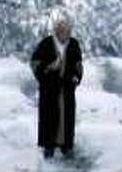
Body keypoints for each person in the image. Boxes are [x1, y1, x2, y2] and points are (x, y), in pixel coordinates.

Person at [31, 13, 83, 158]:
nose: (64, 34)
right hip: (49, 89)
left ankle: (66, 147)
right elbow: (35, 63)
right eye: (61, 31)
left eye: (67, 31)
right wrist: (49, 67)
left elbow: (78, 65)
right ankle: (49, 148)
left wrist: (76, 77)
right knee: (49, 118)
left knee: (66, 118)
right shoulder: (46, 44)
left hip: (66, 89)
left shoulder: (73, 44)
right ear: (56, 31)